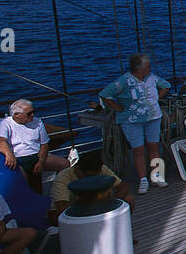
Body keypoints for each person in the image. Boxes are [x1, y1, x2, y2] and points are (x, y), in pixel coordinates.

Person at [98, 54, 170, 195]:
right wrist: (118, 108)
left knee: (154, 147)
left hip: (153, 117)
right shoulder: (124, 81)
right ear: (139, 68)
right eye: (147, 66)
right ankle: (143, 180)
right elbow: (105, 94)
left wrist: (156, 98)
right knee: (138, 150)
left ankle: (157, 176)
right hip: (131, 121)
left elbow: (166, 86)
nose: (150, 68)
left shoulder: (152, 78)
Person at [0, 99, 71, 195]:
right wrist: (9, 154)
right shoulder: (5, 124)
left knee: (64, 164)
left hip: (36, 156)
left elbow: (44, 143)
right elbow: (0, 141)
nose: (32, 115)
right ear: (16, 115)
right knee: (22, 179)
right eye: (29, 113)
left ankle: (59, 194)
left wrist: (41, 160)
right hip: (17, 159)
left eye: (33, 112)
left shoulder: (37, 122)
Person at [48, 149, 132, 225]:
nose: (92, 179)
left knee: (129, 199)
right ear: (77, 169)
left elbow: (123, 186)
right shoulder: (63, 177)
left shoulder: (101, 169)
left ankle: (121, 231)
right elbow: (62, 206)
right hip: (75, 210)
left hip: (97, 206)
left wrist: (112, 201)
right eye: (89, 176)